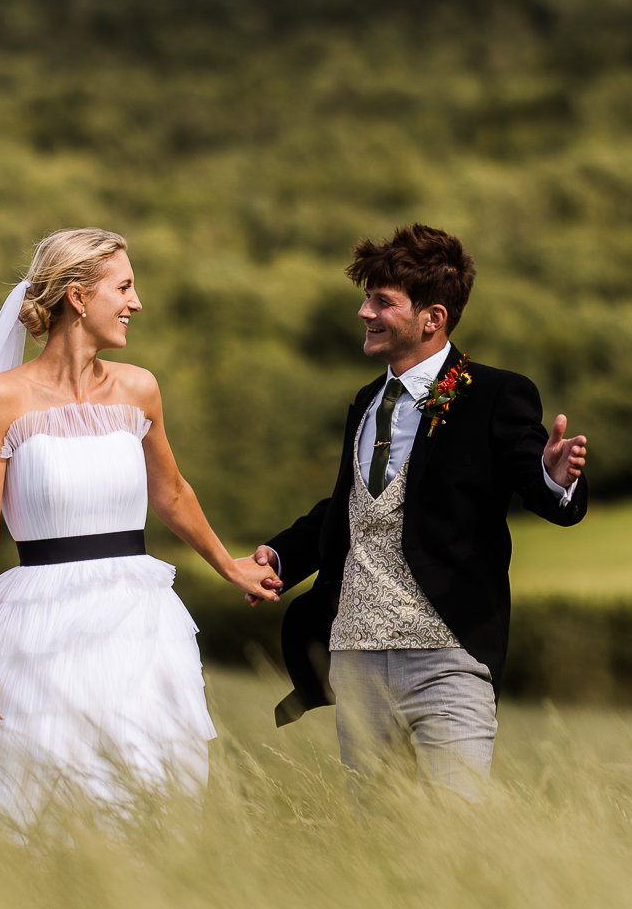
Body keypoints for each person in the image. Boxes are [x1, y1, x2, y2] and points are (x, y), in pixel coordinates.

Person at [0, 228, 278, 824]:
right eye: (123, 287)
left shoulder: (138, 388)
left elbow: (171, 493)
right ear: (77, 297)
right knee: (41, 798)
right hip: (38, 630)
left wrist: (231, 567)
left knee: (151, 796)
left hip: (139, 625)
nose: (135, 302)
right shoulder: (0, 400)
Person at [248, 224, 588, 800]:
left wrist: (554, 477)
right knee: (376, 841)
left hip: (447, 659)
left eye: (383, 302)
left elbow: (544, 493)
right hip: (353, 658)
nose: (364, 312)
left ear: (432, 318)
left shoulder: (493, 394)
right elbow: (355, 504)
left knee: (456, 832)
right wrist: (279, 554)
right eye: (367, 298)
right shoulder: (365, 402)